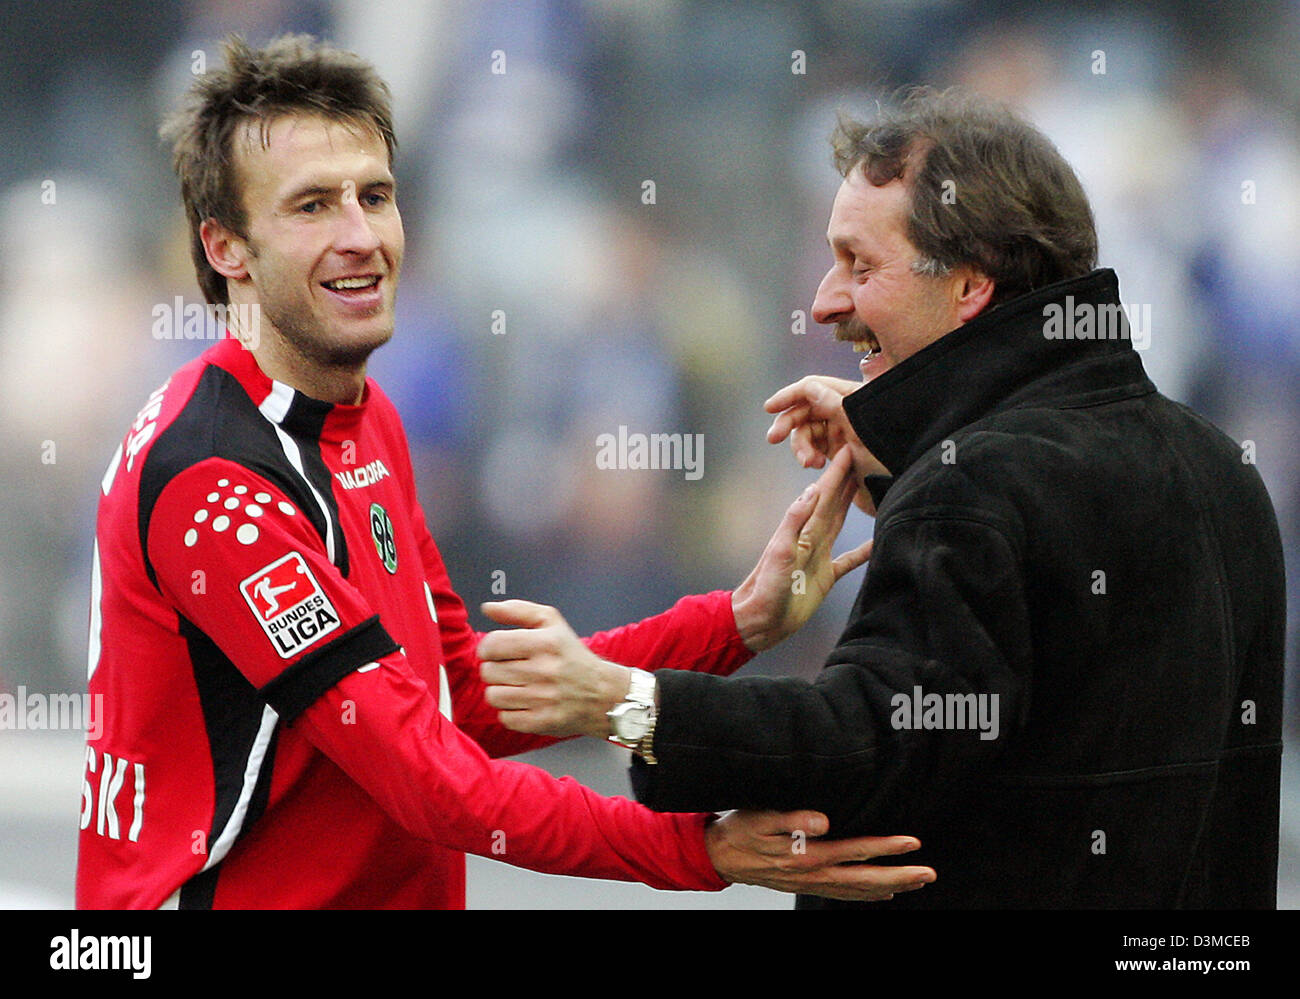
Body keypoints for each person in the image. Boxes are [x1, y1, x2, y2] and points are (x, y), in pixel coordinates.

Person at [76, 34, 937, 909]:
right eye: (310, 207)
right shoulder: (216, 483)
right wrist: (700, 847)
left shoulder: (362, 417)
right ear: (226, 248)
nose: (360, 236)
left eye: (375, 196)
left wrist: (736, 622)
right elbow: (431, 777)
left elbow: (455, 696)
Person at [479, 87, 1287, 909]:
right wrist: (908, 455)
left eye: (860, 266)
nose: (826, 301)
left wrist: (625, 700)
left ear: (970, 285)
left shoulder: (973, 487)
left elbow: (864, 746)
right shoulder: (1223, 467)